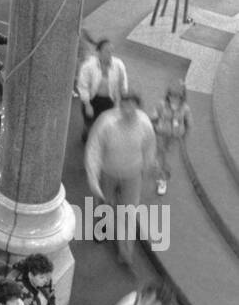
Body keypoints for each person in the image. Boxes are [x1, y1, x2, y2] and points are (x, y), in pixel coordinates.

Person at [85, 92, 157, 265]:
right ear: (119, 106)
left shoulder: (145, 124)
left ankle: (125, 253)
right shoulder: (106, 121)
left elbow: (149, 148)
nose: (128, 110)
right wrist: (93, 177)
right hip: (108, 171)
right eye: (124, 106)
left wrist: (147, 168)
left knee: (129, 212)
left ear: (138, 108)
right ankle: (100, 229)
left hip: (132, 174)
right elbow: (94, 149)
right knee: (104, 203)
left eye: (132, 106)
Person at [76, 38, 128, 142]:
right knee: (89, 120)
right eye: (107, 51)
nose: (110, 54)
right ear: (98, 52)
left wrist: (123, 98)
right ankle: (87, 132)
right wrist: (87, 105)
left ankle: (98, 139)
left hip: (109, 100)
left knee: (104, 122)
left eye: (111, 51)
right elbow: (83, 86)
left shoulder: (118, 65)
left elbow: (123, 82)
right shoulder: (88, 65)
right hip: (92, 99)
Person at [151, 81, 192, 196]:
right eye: (171, 95)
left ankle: (163, 179)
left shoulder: (185, 109)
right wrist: (155, 127)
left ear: (182, 96)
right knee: (159, 155)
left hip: (174, 139)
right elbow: (154, 117)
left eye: (177, 96)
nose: (174, 98)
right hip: (160, 135)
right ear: (168, 95)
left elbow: (188, 123)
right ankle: (159, 173)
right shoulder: (161, 104)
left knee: (167, 160)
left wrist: (183, 136)